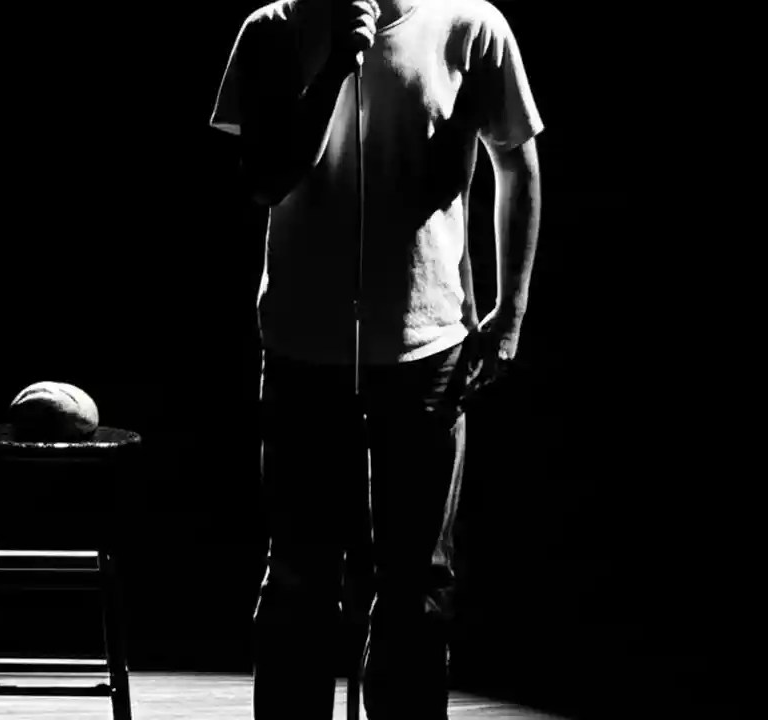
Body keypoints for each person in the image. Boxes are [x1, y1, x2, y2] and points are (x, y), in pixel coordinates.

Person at [208, 0, 543, 717]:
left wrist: (509, 317)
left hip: (427, 351)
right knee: (299, 582)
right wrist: (332, 67)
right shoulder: (272, 31)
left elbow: (517, 160)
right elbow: (265, 179)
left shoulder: (471, 26)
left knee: (417, 588)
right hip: (302, 349)